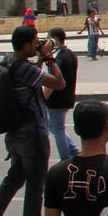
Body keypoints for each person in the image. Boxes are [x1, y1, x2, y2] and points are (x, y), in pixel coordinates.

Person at [0, 26, 65, 216]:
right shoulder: (24, 68)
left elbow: (32, 79)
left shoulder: (8, 62)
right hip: (32, 133)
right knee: (36, 182)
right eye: (35, 42)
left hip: (15, 133)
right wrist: (49, 59)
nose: (38, 45)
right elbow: (59, 83)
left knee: (16, 176)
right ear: (26, 44)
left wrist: (39, 59)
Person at [44, 27, 78, 161]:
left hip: (56, 99)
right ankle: (75, 151)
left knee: (57, 130)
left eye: (48, 38)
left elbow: (52, 81)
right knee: (56, 128)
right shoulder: (71, 54)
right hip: (68, 97)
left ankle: (66, 159)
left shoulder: (57, 57)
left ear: (55, 40)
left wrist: (44, 98)